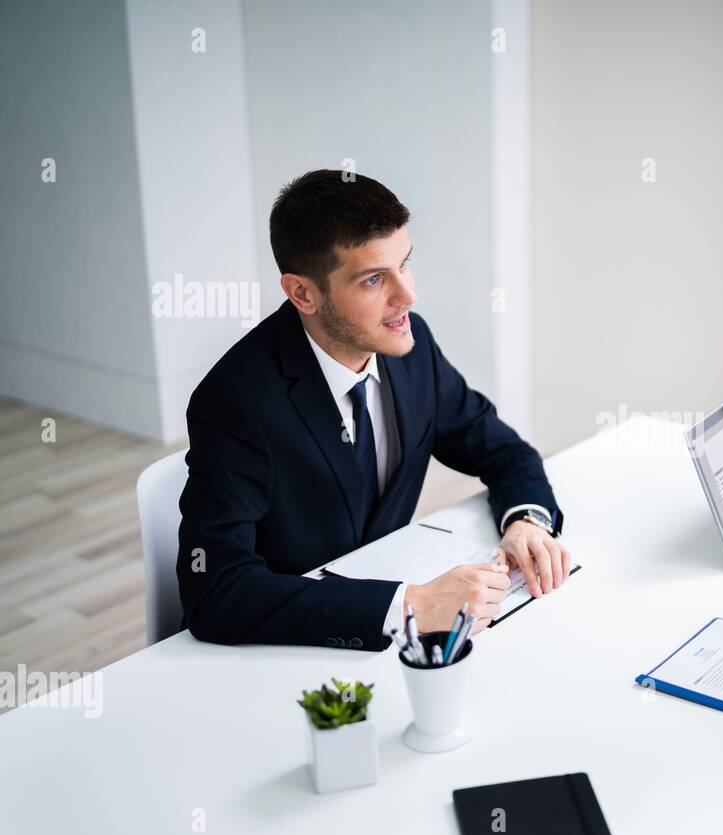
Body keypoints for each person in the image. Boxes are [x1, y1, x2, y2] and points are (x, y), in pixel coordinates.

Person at [177, 169, 570, 650]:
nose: (407, 295)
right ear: (303, 293)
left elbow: (502, 451)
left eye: (405, 264)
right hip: (286, 653)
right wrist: (412, 607)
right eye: (373, 279)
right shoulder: (235, 401)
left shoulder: (412, 345)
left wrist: (526, 521)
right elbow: (216, 592)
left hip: (391, 648)